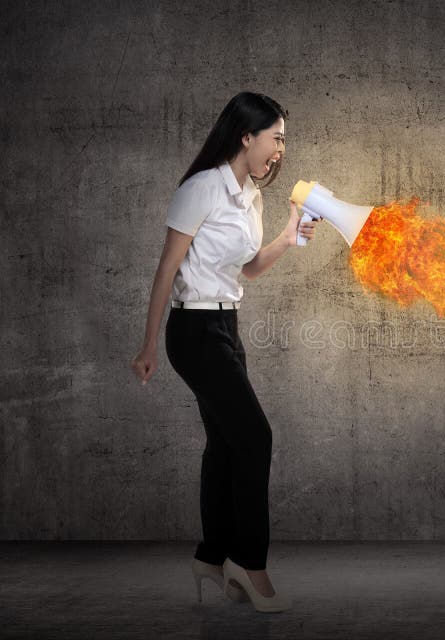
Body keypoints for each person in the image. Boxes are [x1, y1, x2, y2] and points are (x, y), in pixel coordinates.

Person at [131, 92, 317, 613]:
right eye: (276, 137)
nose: (281, 149)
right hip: (192, 331)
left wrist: (288, 235)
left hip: (226, 326)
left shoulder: (249, 197)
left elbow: (248, 270)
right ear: (246, 136)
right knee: (255, 436)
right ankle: (249, 562)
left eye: (283, 140)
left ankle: (211, 558)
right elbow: (167, 269)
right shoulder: (201, 188)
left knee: (226, 443)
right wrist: (148, 345)